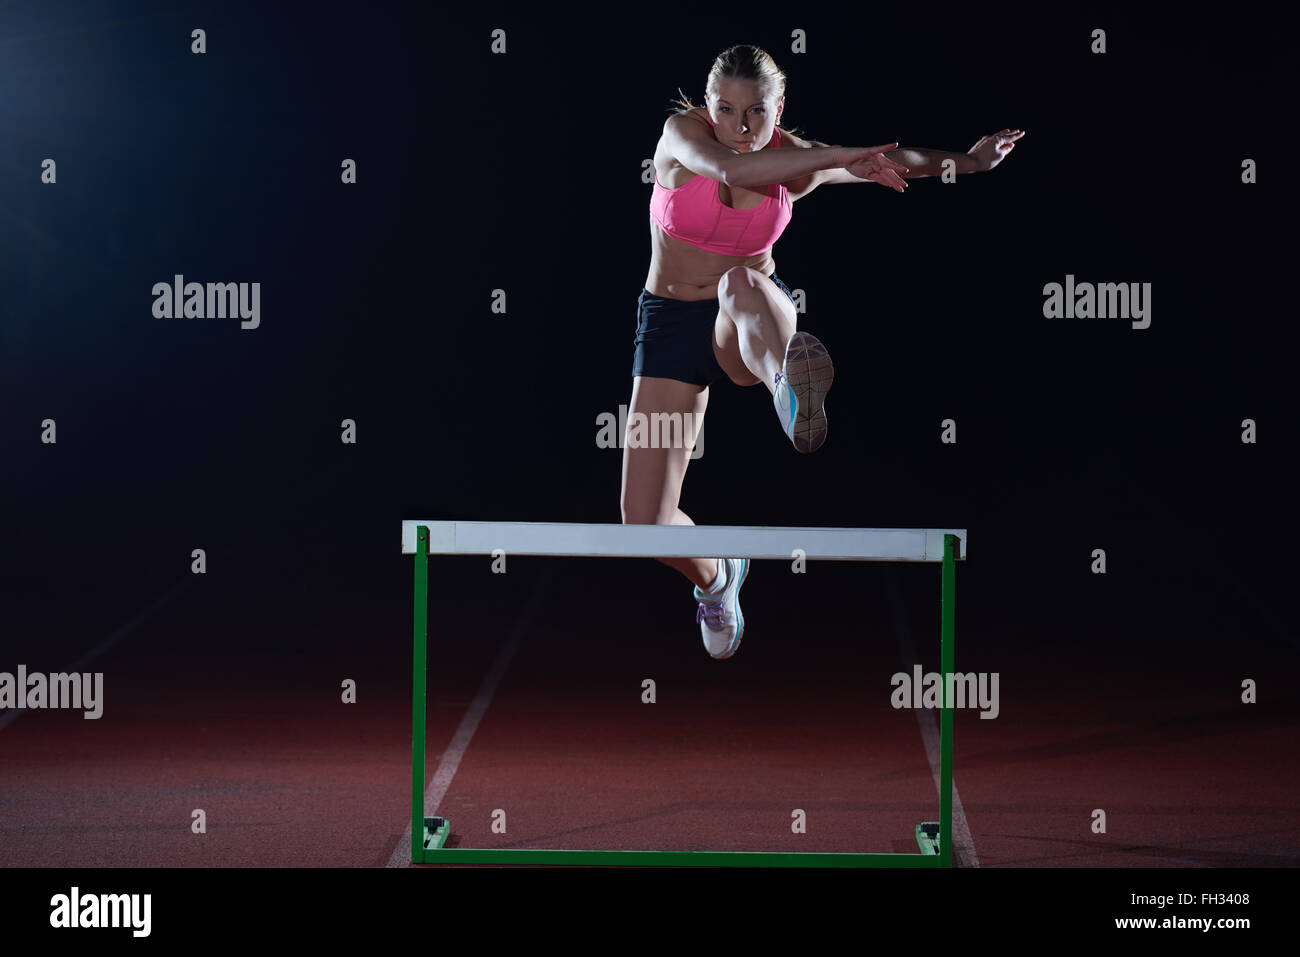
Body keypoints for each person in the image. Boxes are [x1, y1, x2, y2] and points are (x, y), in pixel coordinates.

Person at [621, 43, 1023, 660]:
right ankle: (720, 577)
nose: (741, 127)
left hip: (746, 318)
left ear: (779, 108)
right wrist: (838, 158)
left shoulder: (796, 163)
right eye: (725, 110)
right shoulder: (681, 138)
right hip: (671, 322)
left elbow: (898, 161)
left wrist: (968, 161)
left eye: (756, 113)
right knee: (644, 527)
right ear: (707, 106)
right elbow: (728, 170)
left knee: (739, 282)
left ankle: (789, 387)